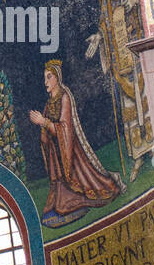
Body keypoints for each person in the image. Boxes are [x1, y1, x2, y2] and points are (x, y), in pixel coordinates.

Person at [86, 0, 153, 182]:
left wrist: (137, 0)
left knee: (146, 98)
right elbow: (104, 15)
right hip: (119, 50)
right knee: (127, 107)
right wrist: (99, 36)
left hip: (137, 42)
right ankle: (137, 156)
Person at [29, 60, 122, 228]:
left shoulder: (64, 97)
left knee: (88, 185)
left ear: (57, 77)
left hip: (71, 152)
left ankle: (85, 192)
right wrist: (43, 129)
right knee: (57, 204)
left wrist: (44, 123)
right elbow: (47, 129)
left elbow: (65, 129)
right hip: (56, 154)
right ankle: (64, 197)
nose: (46, 82)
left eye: (49, 77)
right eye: (45, 78)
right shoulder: (49, 103)